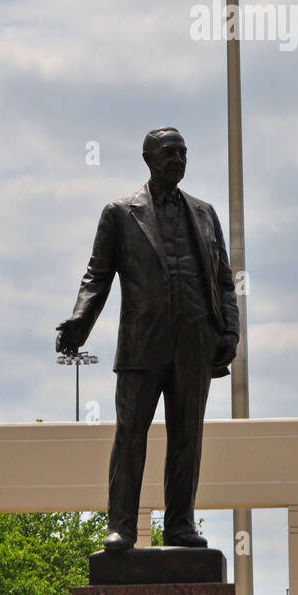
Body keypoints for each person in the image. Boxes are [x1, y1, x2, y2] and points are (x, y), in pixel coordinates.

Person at [56, 127, 239, 551]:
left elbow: (224, 282)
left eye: (184, 153)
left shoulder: (205, 213)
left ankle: (180, 525)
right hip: (143, 342)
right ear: (149, 159)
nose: (179, 160)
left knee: (187, 437)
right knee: (130, 435)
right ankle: (121, 527)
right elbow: (97, 276)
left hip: (194, 343)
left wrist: (229, 329)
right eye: (170, 153)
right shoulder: (121, 213)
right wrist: (79, 321)